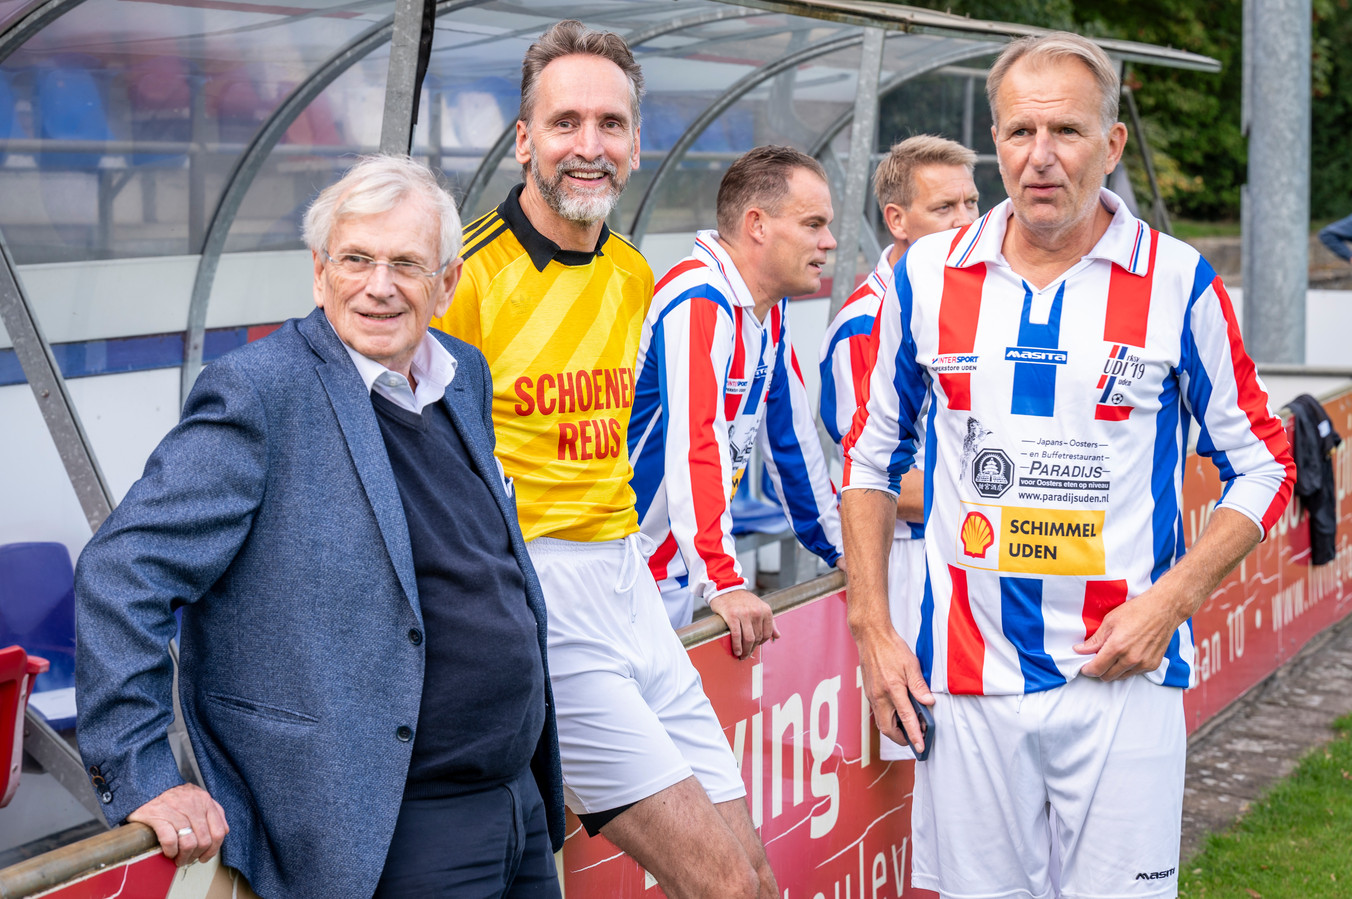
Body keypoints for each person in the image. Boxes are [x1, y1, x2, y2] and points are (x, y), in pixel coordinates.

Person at [840, 33, 1295, 899]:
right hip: (967, 680)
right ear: (995, 142)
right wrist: (873, 626)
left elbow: (1266, 463)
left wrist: (1172, 600)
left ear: (1112, 143)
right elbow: (869, 459)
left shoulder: (1178, 281)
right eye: (1020, 132)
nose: (1040, 156)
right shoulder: (927, 276)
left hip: (1122, 674)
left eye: (1067, 132)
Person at [74, 155, 563, 899]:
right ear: (319, 272)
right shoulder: (261, 393)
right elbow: (121, 573)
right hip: (386, 826)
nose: (378, 285)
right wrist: (143, 773)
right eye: (356, 259)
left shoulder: (461, 373)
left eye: (406, 263)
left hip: (512, 798)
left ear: (447, 283)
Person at [430, 21, 776, 899]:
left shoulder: (630, 273)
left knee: (755, 873)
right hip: (540, 598)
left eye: (610, 124)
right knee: (722, 885)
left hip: (631, 585)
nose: (589, 146)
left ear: (635, 142)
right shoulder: (463, 277)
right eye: (566, 122)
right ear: (524, 141)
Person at [629, 145, 845, 641]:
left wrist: (842, 549)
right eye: (813, 224)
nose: (829, 241)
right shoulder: (699, 298)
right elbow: (697, 441)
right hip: (627, 573)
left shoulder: (768, 310)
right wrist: (722, 578)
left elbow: (793, 443)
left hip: (674, 572)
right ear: (758, 225)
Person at [817, 134, 977, 759]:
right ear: (897, 220)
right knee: (935, 764)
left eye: (972, 202)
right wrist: (1010, 497)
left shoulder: (969, 296)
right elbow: (874, 475)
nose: (966, 220)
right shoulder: (866, 326)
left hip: (967, 549)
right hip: (909, 564)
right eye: (945, 208)